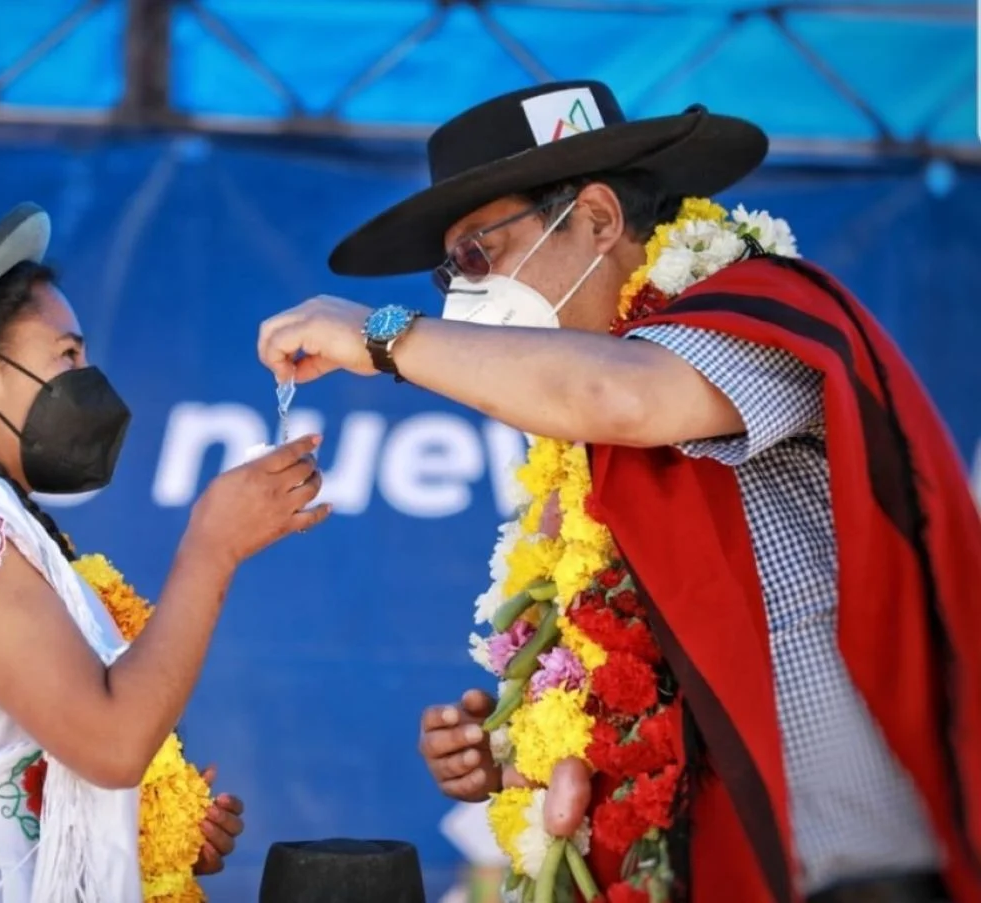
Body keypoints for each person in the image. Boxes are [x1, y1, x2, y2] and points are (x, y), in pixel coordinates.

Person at [257, 82, 981, 902]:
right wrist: (516, 745)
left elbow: (624, 395)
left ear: (599, 218)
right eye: (444, 274)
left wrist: (381, 335)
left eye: (475, 256)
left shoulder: (759, 308)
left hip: (853, 874)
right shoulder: (577, 459)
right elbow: (646, 695)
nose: (459, 296)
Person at [0, 202, 330, 902]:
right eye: (67, 354)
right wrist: (211, 546)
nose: (86, 376)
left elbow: (30, 762)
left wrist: (148, 830)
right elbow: (109, 744)